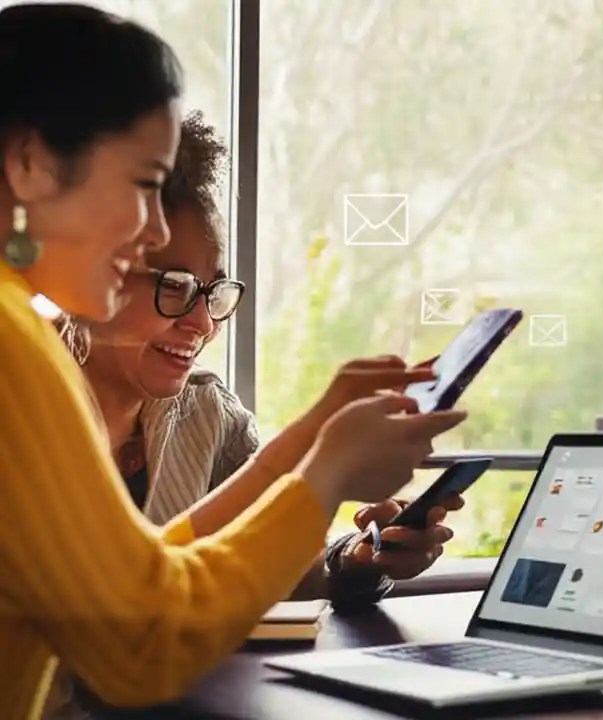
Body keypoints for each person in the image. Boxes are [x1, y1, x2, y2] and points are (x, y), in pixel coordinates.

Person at [0, 4, 464, 716]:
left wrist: (313, 442)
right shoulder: (14, 347)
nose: (151, 228)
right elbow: (142, 644)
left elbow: (144, 575)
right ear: (30, 162)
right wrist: (328, 468)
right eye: (144, 184)